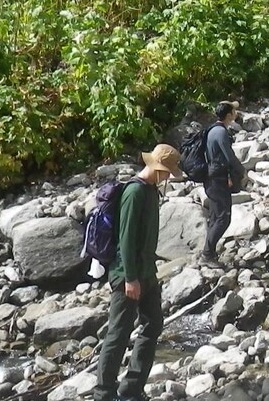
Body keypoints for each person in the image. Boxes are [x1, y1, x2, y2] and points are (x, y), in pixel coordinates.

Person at [93, 143, 183, 401]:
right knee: (118, 333)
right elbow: (126, 239)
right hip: (127, 274)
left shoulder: (151, 190)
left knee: (153, 324)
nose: (169, 177)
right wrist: (130, 278)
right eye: (167, 172)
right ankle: (104, 393)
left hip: (146, 272)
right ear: (157, 168)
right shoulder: (135, 192)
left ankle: (132, 388)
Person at [202, 101, 245, 262]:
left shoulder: (212, 130)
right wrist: (242, 171)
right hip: (218, 180)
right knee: (223, 219)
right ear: (229, 115)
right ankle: (207, 255)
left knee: (215, 217)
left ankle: (209, 253)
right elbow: (229, 157)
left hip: (211, 178)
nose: (236, 113)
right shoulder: (221, 133)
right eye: (234, 111)